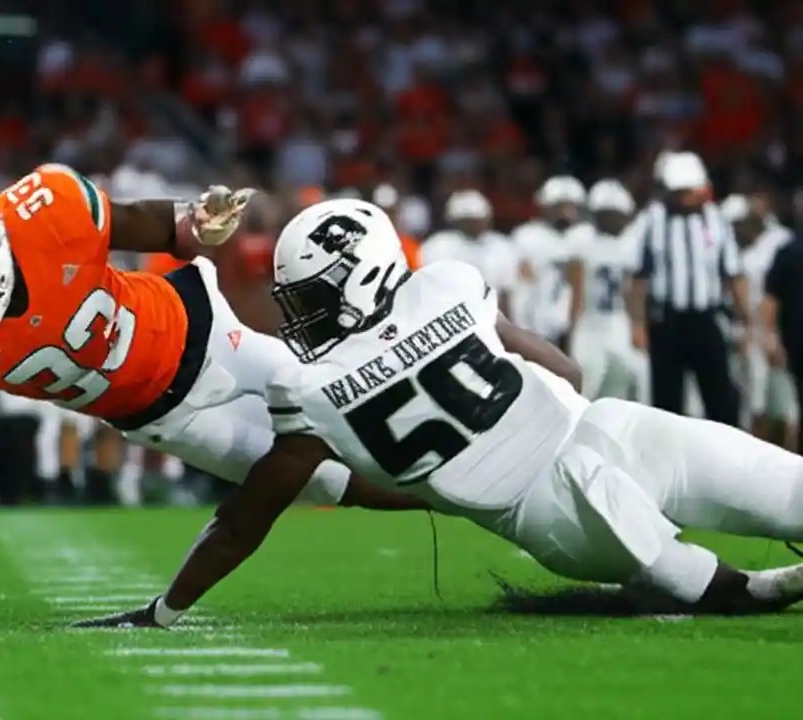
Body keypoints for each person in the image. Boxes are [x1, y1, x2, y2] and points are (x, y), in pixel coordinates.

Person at [75, 199, 803, 629]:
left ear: (357, 278)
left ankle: (757, 587)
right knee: (784, 499)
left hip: (553, 517)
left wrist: (164, 609)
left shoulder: (311, 390)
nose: (300, 318)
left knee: (724, 590)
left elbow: (244, 520)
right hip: (613, 430)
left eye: (312, 299)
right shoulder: (448, 286)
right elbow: (565, 369)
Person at [0, 167, 421, 631]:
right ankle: (450, 501)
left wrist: (195, 222)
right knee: (323, 481)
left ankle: (482, 468)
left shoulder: (52, 210)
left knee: (353, 415)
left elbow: (151, 225)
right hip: (163, 417)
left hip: (207, 332)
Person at [627, 152, 748, 426]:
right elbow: (638, 277)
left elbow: (732, 274)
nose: (682, 199)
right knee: (667, 402)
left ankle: (724, 460)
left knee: (720, 396)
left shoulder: (716, 219)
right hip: (667, 320)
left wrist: (746, 321)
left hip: (706, 318)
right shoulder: (653, 219)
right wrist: (637, 324)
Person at [722, 193, 797, 449]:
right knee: (754, 404)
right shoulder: (738, 252)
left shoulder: (779, 242)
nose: (734, 230)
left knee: (785, 407)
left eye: (738, 224)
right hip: (752, 333)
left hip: (780, 333)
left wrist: (771, 336)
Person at [565, 179, 649, 401]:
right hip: (590, 322)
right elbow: (577, 292)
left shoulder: (631, 242)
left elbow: (633, 292)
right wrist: (572, 331)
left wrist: (637, 325)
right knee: (583, 389)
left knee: (620, 390)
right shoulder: (582, 239)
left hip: (618, 321)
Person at [512, 175, 588, 348]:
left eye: (571, 206)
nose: (566, 212)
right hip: (537, 323)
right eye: (559, 206)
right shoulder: (527, 236)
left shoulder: (585, 236)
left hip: (577, 326)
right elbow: (523, 283)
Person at [419, 189, 517, 316]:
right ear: (455, 220)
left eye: (479, 219)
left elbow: (505, 293)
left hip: (491, 317)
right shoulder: (438, 245)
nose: (475, 224)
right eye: (469, 220)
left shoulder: (500, 245)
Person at [763, 225, 803, 452]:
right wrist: (771, 338)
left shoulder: (788, 250)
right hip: (797, 344)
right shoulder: (790, 252)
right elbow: (772, 299)